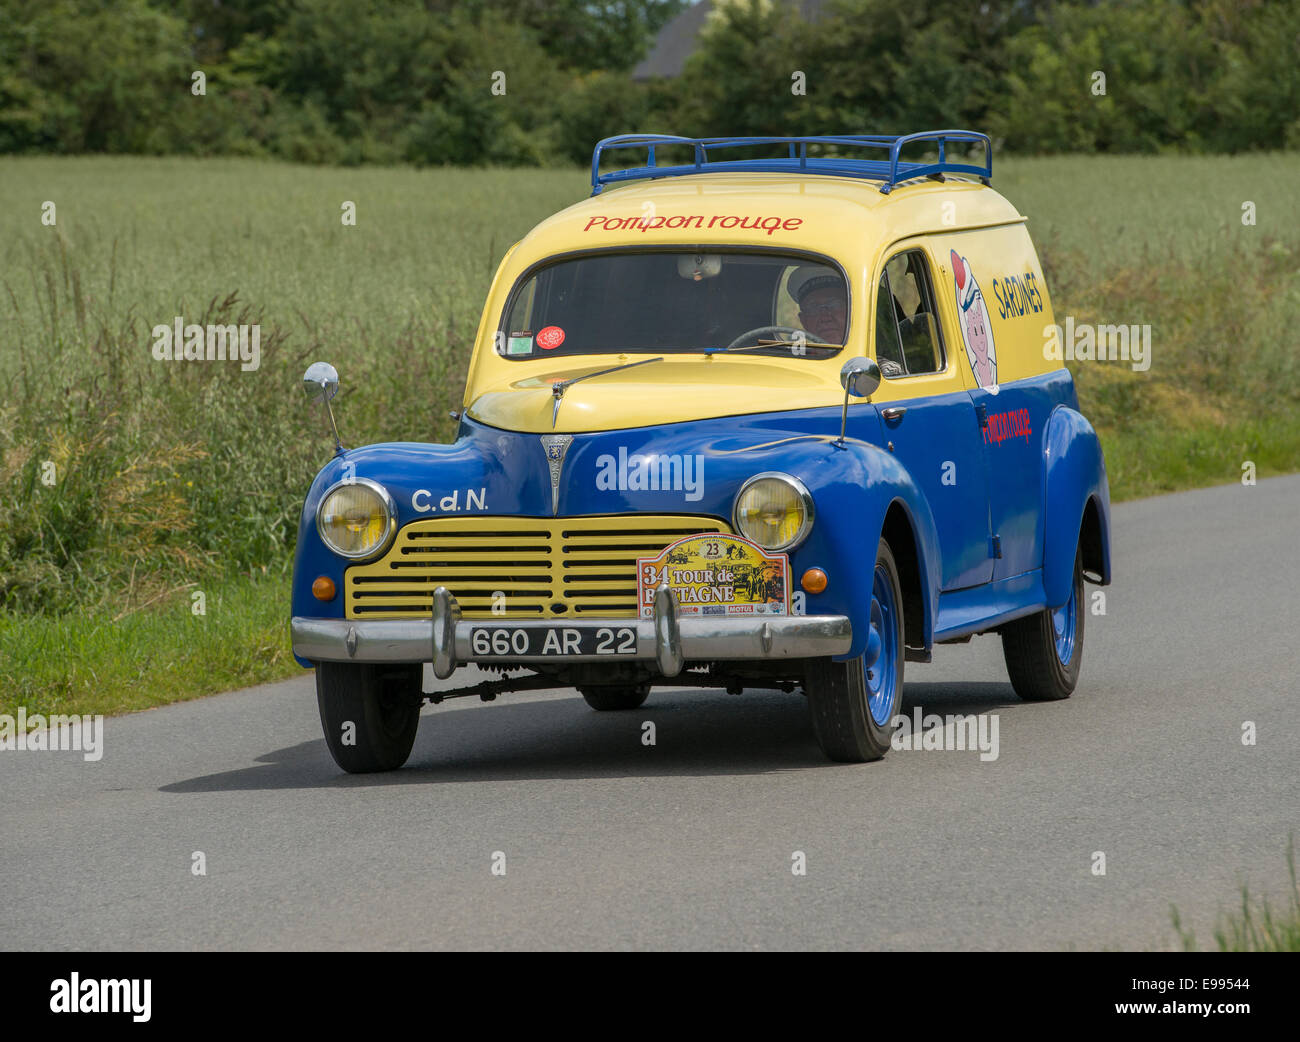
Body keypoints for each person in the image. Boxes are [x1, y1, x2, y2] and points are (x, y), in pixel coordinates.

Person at [787, 265, 847, 344]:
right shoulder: (793, 356)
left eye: (834, 305)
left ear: (851, 311)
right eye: (813, 309)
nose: (825, 318)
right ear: (804, 321)